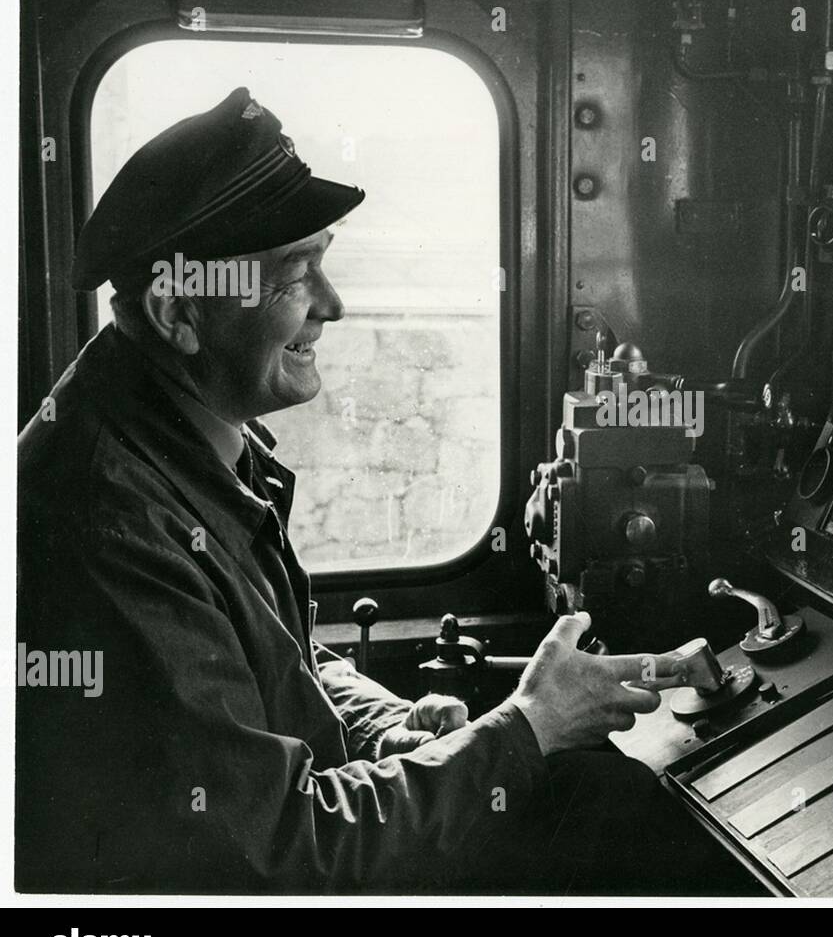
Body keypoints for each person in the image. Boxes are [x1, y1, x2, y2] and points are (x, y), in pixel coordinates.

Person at [16, 88, 743, 894]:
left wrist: (389, 725)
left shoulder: (182, 430)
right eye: (298, 276)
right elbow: (277, 852)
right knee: (606, 811)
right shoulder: (111, 522)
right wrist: (522, 730)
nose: (333, 303)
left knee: (597, 791)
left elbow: (268, 661)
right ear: (179, 308)